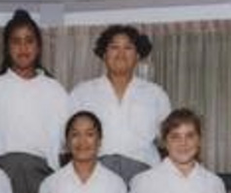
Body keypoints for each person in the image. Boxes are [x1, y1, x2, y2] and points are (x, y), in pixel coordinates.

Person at [0, 10, 68, 193]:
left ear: (39, 46)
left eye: (29, 41)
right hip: (1, 175)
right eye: (16, 42)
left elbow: (65, 146)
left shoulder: (55, 90)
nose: (23, 48)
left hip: (43, 176)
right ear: (7, 47)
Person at [67, 25, 171, 184]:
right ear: (104, 54)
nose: (121, 54)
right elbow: (68, 139)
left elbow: (169, 141)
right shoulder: (82, 92)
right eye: (114, 47)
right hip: (97, 172)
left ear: (137, 55)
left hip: (144, 173)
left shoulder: (156, 93)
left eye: (128, 47)